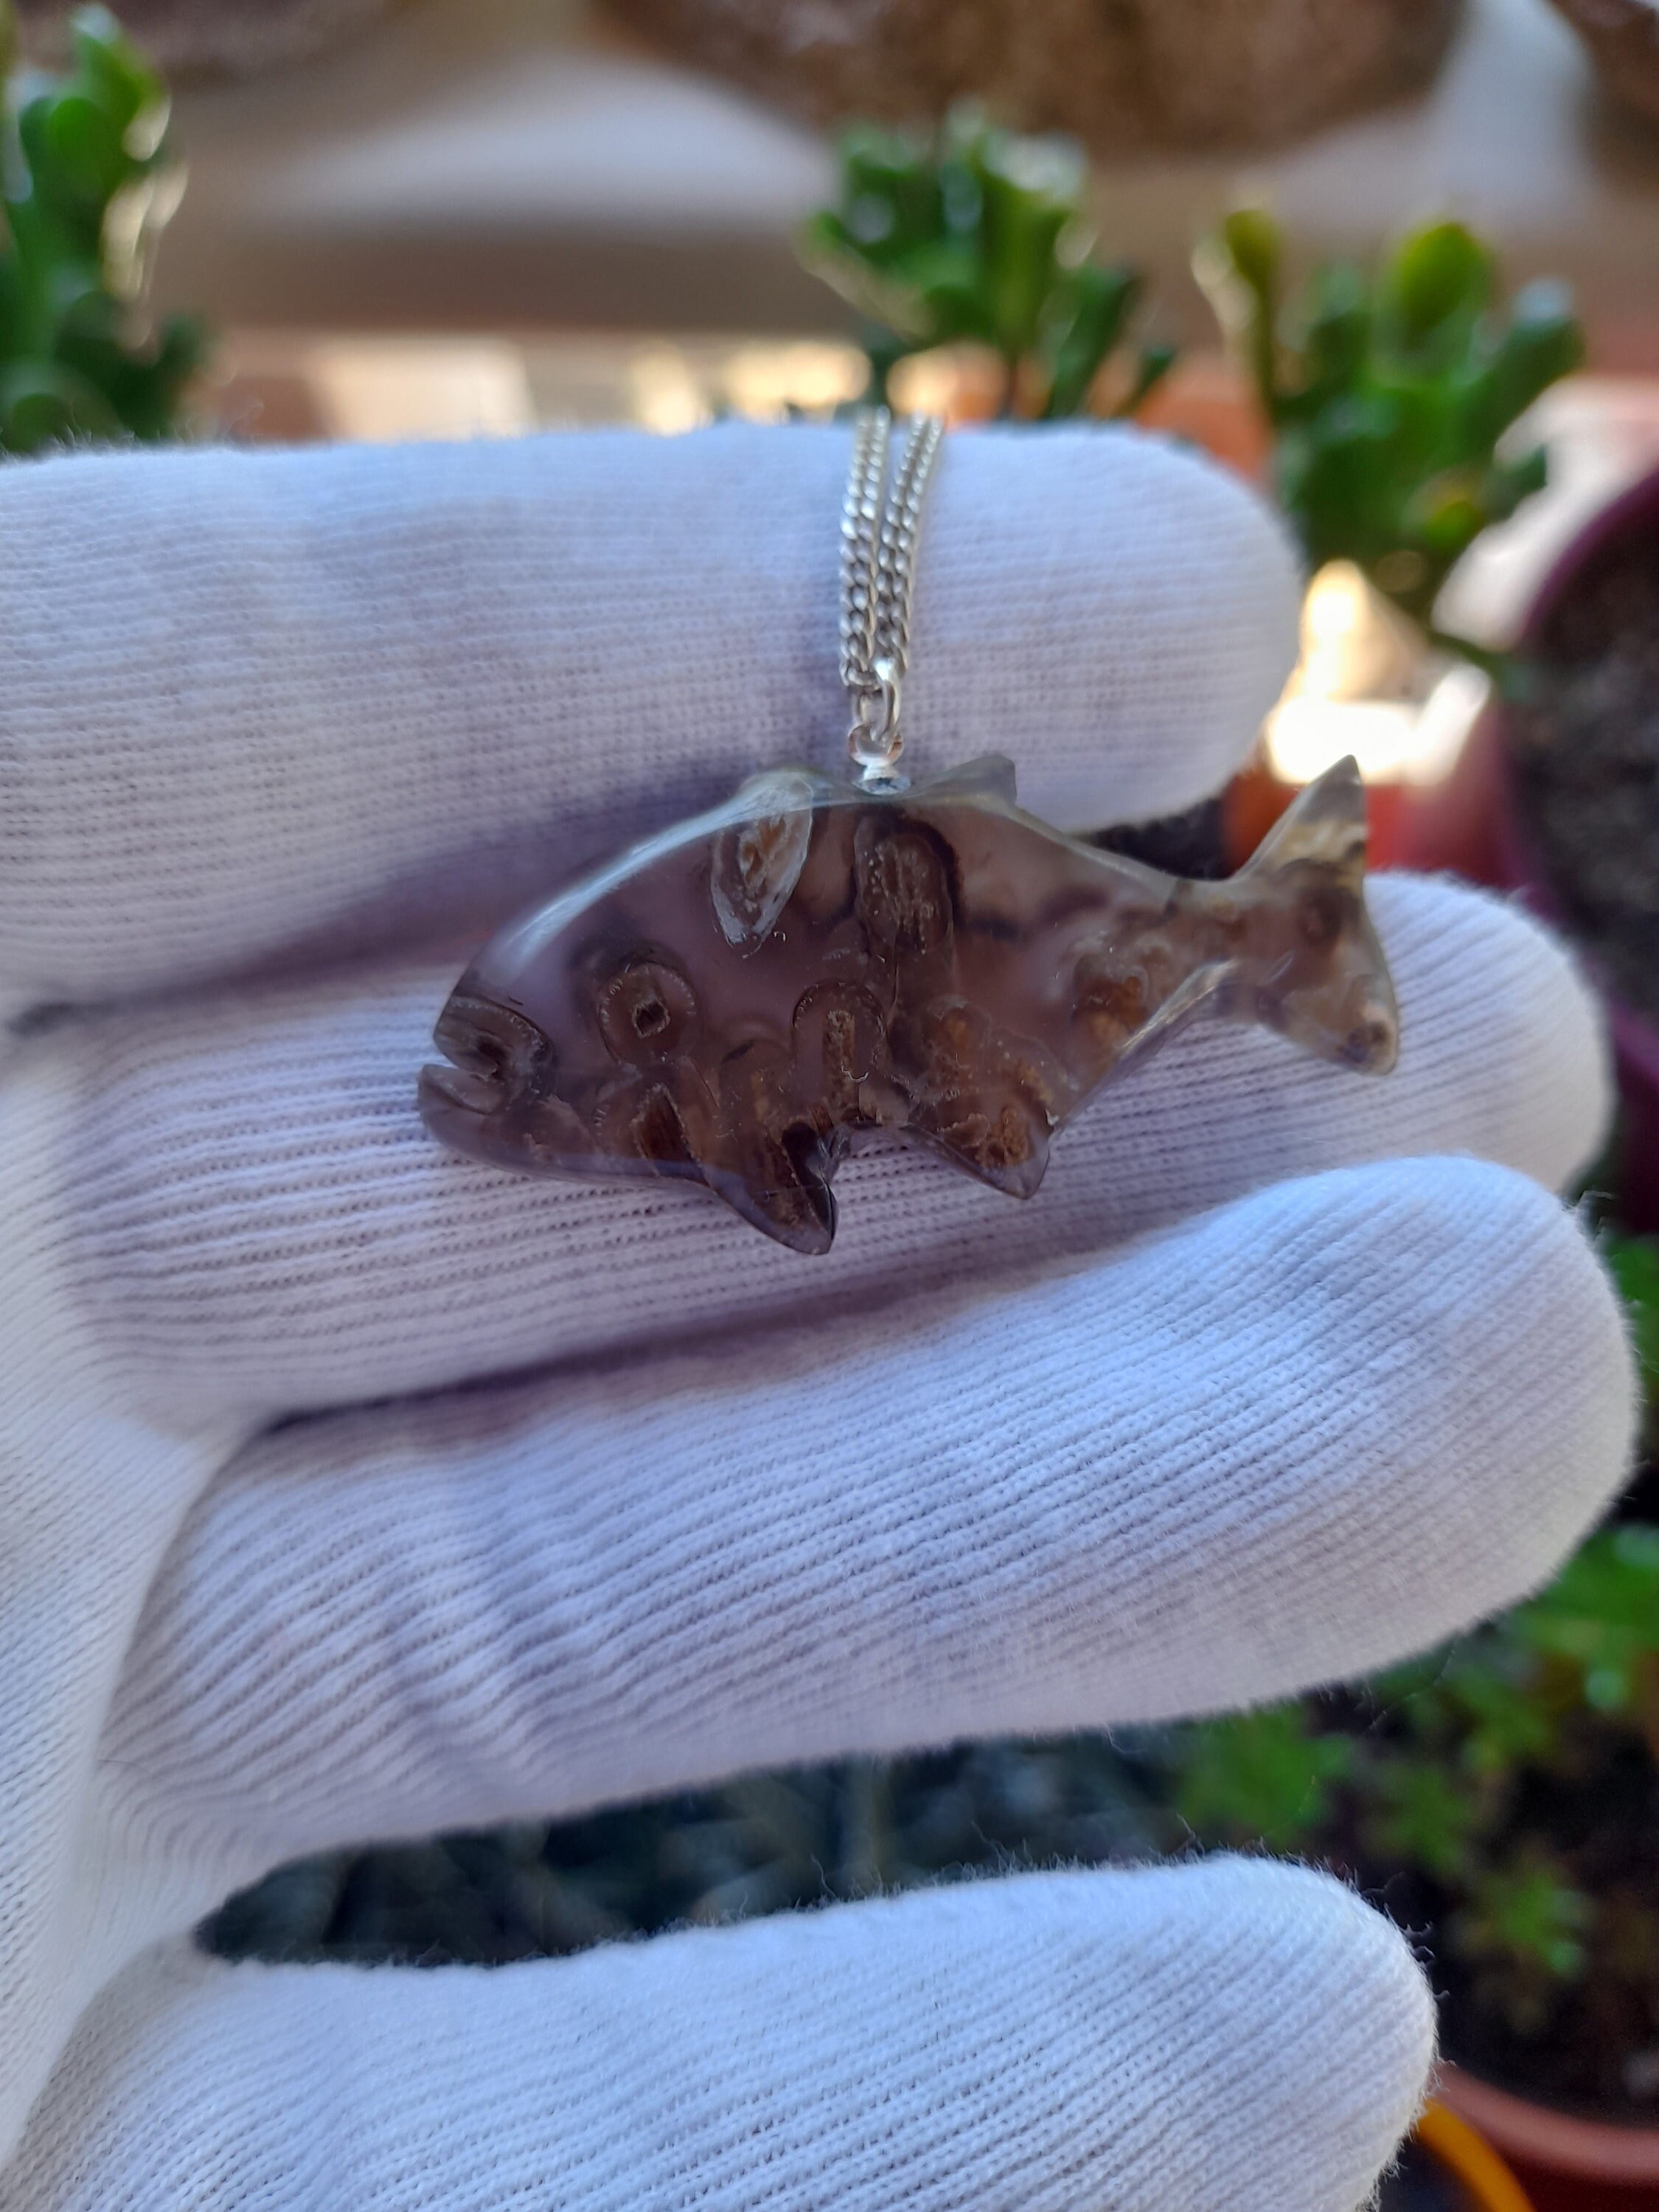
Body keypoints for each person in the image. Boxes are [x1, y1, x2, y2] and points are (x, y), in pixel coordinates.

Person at [0, 420, 1631, 2209]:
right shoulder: (650, 959)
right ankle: (1272, 940)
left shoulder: (714, 934)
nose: (503, 1087)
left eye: (537, 1056)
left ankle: (1276, 945)